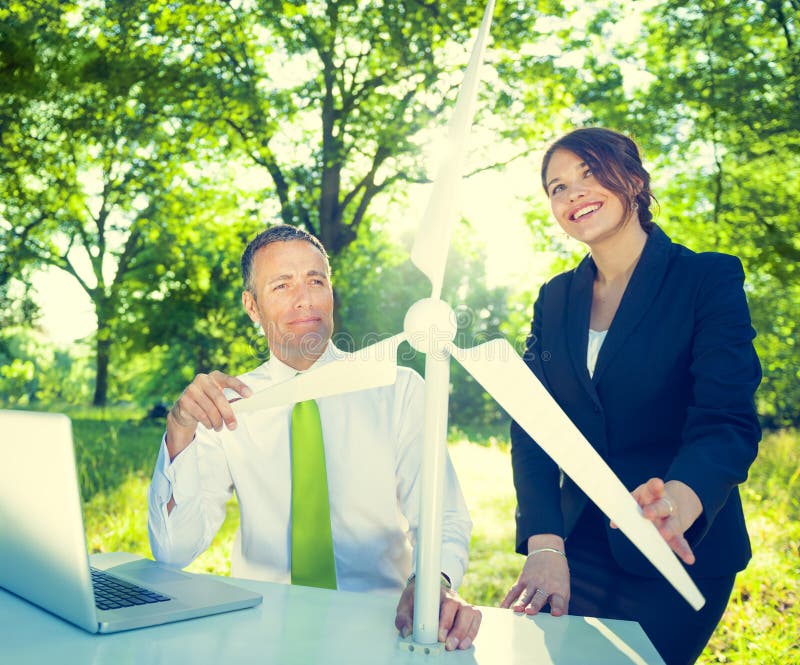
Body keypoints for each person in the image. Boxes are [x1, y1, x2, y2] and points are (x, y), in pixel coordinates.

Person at [147, 224, 481, 650]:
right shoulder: (226, 406)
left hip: (382, 626)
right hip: (262, 629)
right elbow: (174, 550)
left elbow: (443, 516)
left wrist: (433, 582)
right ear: (252, 306)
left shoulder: (398, 390)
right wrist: (179, 428)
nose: (304, 299)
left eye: (316, 281)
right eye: (282, 285)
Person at [500, 128, 761, 665]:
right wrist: (545, 542)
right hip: (578, 546)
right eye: (557, 187)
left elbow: (726, 419)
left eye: (589, 172)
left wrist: (681, 499)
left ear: (635, 181)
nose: (573, 192)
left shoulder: (706, 278)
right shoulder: (553, 299)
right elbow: (533, 427)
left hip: (679, 546)